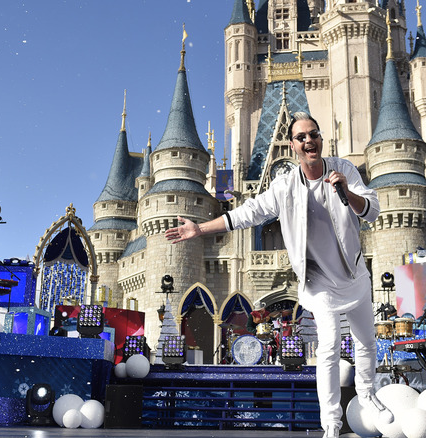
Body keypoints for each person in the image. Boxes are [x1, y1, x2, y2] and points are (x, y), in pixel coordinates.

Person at [165, 112, 392, 437]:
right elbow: (247, 213)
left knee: (366, 341)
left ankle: (367, 395)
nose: (309, 140)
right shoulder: (285, 186)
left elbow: (372, 210)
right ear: (293, 146)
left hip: (354, 273)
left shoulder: (344, 170)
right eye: (301, 137)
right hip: (320, 281)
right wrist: (200, 229)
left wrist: (347, 191)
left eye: (313, 134)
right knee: (329, 348)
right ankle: (331, 424)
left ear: (321, 138)